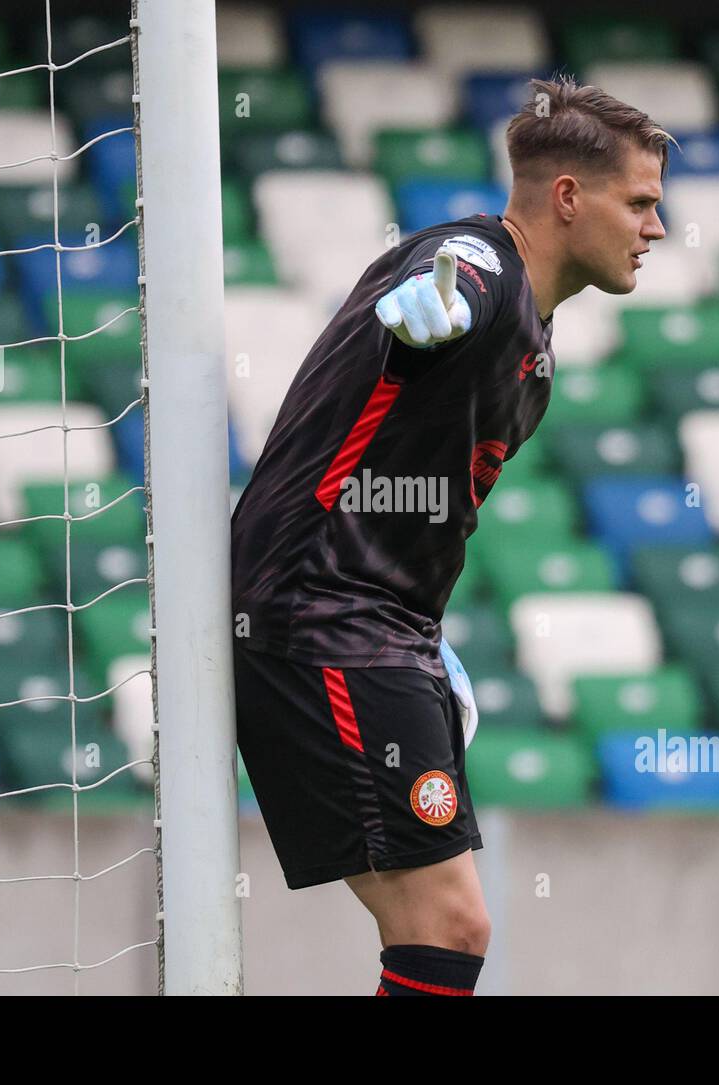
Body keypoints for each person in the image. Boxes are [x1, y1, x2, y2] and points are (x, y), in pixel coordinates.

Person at [230, 75, 671, 996]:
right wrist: (437, 312)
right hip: (323, 613)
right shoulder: (474, 264)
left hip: (382, 624)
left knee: (434, 926)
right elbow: (441, 289)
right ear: (565, 197)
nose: (656, 229)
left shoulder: (538, 343)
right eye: (639, 203)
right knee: (451, 922)